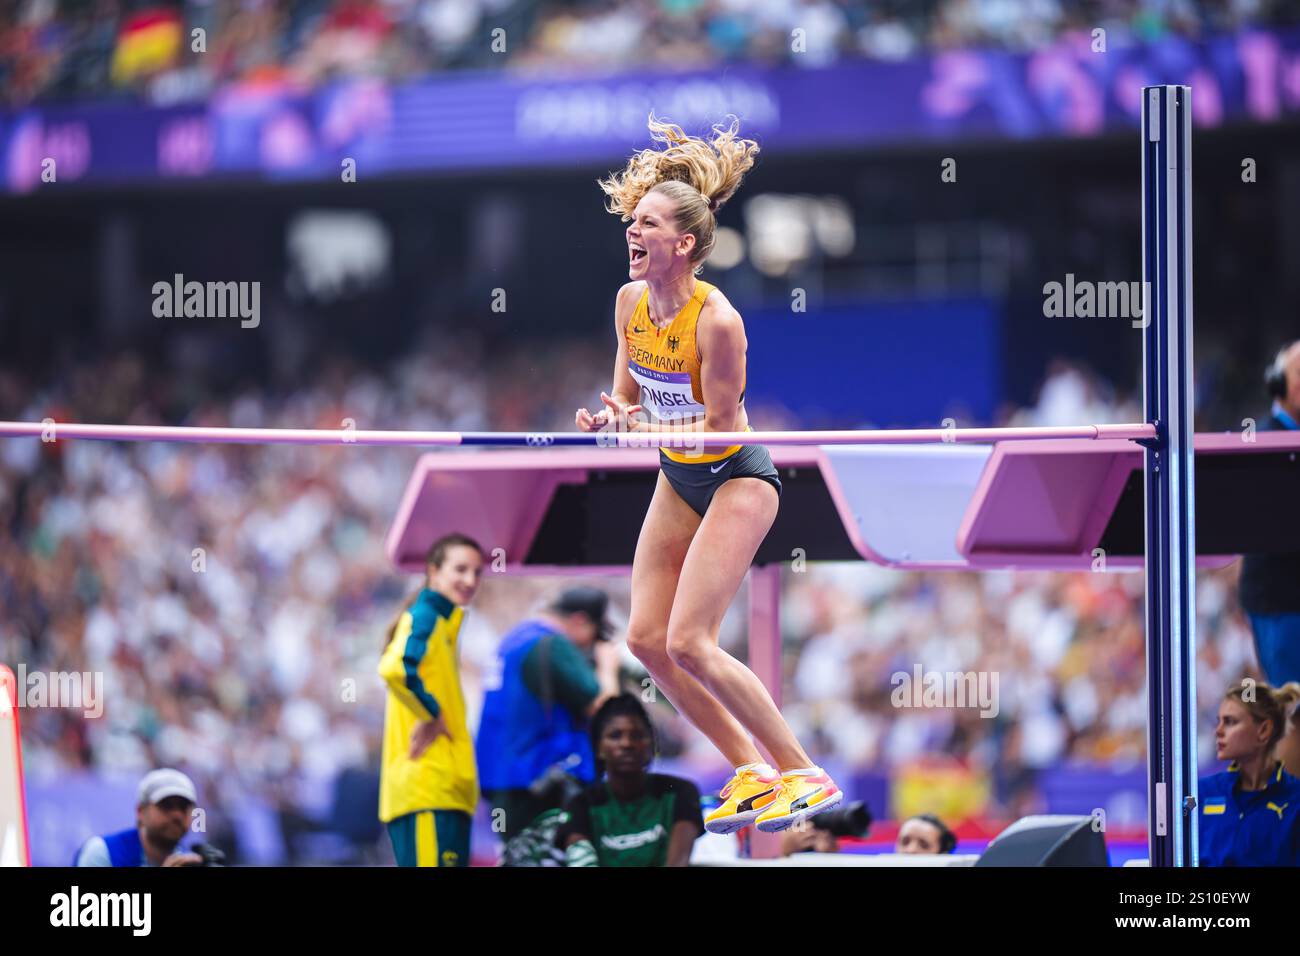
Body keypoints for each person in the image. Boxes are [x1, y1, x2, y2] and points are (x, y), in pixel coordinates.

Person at [577, 113, 841, 834]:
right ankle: (750, 769)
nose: (633, 231)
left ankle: (803, 772)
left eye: (649, 224)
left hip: (734, 478)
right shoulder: (629, 303)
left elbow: (723, 429)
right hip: (677, 472)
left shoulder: (717, 321)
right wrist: (614, 418)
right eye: (631, 220)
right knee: (645, 640)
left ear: (684, 243)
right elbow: (627, 396)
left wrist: (650, 429)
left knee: (692, 638)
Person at [477, 586, 621, 842]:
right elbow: (602, 706)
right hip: (538, 784)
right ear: (579, 620)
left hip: (502, 781)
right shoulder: (552, 643)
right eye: (593, 635)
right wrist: (608, 667)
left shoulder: (515, 639)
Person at [378, 532, 485, 867]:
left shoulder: (444, 622)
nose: (470, 580)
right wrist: (432, 714)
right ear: (434, 571)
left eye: (477, 572)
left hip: (445, 790)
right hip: (426, 789)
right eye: (460, 569)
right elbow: (396, 669)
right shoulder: (426, 615)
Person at [1239, 341, 1300, 774]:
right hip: (1282, 602)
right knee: (1295, 713)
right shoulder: (1265, 439)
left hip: (1284, 599)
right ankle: (1287, 823)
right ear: (1282, 385)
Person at [554, 693, 704, 866]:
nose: (627, 744)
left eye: (638, 735)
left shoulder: (680, 792)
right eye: (615, 735)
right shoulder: (581, 805)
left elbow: (678, 863)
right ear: (598, 748)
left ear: (651, 745)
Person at [1199, 680, 1300, 866]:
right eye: (1218, 721)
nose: (1218, 731)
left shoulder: (1295, 800)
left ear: (1263, 730)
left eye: (1230, 722)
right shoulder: (1200, 793)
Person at [74, 768, 202, 867]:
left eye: (184, 807)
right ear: (141, 811)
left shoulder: (190, 860)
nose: (177, 815)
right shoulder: (104, 852)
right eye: (166, 806)